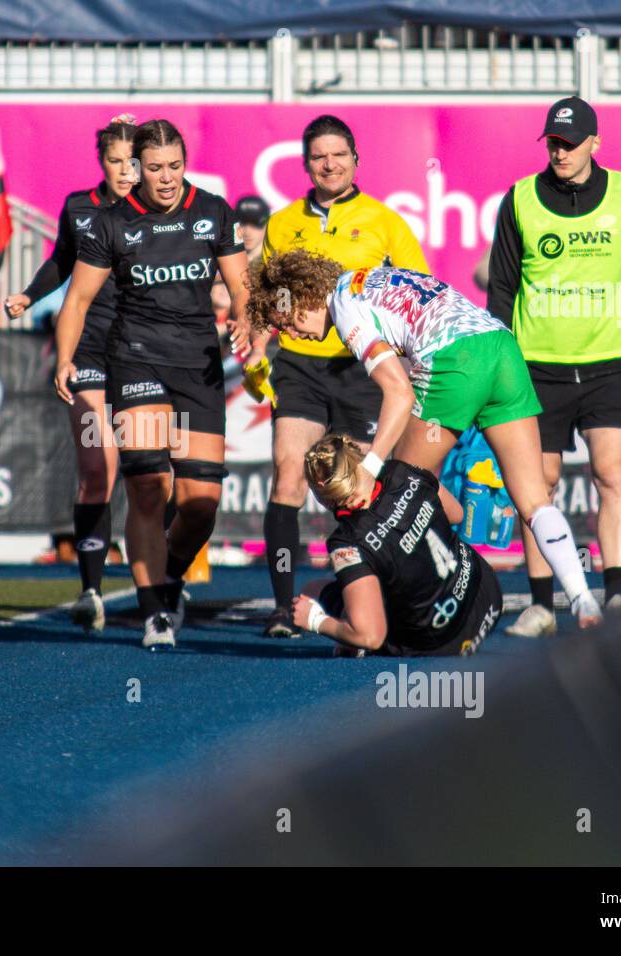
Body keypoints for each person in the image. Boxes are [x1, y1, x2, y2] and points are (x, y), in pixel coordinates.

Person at [250, 251, 604, 629]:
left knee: (398, 491)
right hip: (501, 349)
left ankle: (397, 614)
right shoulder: (365, 278)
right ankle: (584, 601)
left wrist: (371, 466)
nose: (288, 334)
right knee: (534, 501)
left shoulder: (343, 307)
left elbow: (399, 393)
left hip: (455, 359)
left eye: (283, 322)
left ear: (300, 301)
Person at [487, 96, 621, 636]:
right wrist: (494, 365)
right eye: (552, 141)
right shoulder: (521, 198)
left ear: (595, 143)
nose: (560, 151)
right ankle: (541, 604)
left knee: (611, 474)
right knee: (538, 485)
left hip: (606, 365)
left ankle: (616, 594)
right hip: (537, 369)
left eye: (570, 143)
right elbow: (501, 289)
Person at [54, 119, 250, 649]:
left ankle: (172, 576)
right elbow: (77, 299)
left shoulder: (212, 212)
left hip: (198, 366)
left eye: (175, 167)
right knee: (146, 486)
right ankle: (154, 613)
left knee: (200, 502)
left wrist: (247, 322)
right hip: (136, 361)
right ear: (137, 167)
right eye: (155, 168)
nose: (166, 178)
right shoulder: (111, 222)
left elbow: (239, 284)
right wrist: (65, 359)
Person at [241, 115, 430, 638]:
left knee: (363, 487)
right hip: (300, 363)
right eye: (319, 156)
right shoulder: (282, 223)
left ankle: (377, 602)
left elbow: (419, 291)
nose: (329, 164)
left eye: (338, 154)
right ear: (306, 164)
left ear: (356, 159)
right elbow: (273, 295)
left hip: (362, 368)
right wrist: (260, 337)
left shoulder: (385, 222)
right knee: (289, 473)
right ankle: (283, 607)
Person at [4, 115, 138, 632]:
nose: (125, 171)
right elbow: (62, 261)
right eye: (115, 161)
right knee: (96, 471)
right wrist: (27, 294)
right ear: (100, 162)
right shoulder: (79, 207)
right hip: (89, 352)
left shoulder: (159, 210)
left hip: (146, 352)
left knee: (151, 475)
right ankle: (90, 589)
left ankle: (165, 580)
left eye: (133, 161)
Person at [292, 433, 503, 657]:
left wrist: (316, 620)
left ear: (325, 497)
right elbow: (456, 514)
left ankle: (350, 633)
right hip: (488, 594)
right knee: (384, 573)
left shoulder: (347, 540)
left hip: (447, 643)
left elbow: (371, 636)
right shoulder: (400, 470)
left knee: (312, 593)